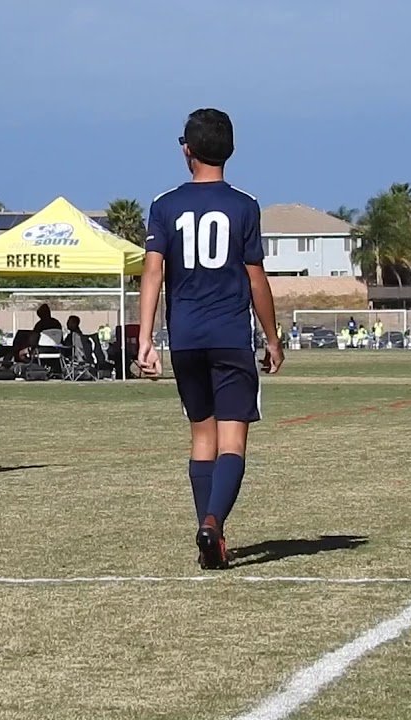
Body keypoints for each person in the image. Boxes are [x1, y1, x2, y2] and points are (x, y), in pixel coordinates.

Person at [136, 108, 282, 571]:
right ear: (230, 150)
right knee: (232, 441)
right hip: (230, 337)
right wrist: (273, 338)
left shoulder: (165, 204)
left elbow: (153, 270)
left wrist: (145, 338)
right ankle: (214, 523)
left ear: (187, 150)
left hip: (186, 339)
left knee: (202, 436)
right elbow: (255, 277)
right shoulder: (244, 206)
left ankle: (209, 532)